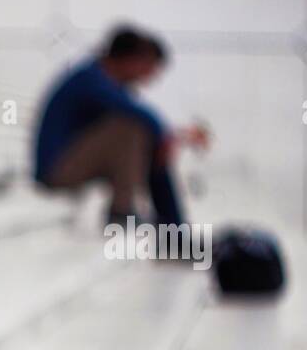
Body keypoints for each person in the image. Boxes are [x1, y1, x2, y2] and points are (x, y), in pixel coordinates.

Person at [34, 25, 210, 227]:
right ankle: (121, 211)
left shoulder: (110, 83)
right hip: (55, 172)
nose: (150, 75)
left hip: (74, 165)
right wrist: (164, 136)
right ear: (130, 60)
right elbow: (138, 114)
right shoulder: (91, 77)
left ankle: (174, 230)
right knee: (131, 128)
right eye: (148, 66)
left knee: (147, 138)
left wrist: (167, 137)